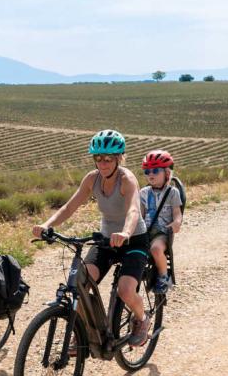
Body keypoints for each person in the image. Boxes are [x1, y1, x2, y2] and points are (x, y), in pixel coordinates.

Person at [32, 129, 152, 345]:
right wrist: (46, 225)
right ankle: (85, 334)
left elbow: (134, 210)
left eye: (108, 159)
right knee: (81, 282)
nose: (103, 164)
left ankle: (142, 319)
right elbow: (69, 207)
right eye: (98, 158)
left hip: (133, 240)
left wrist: (125, 232)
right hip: (106, 240)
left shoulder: (127, 179)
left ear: (118, 158)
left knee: (125, 290)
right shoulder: (92, 179)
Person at [138, 149, 183, 293]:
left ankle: (164, 277)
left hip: (162, 232)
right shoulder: (143, 193)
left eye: (155, 170)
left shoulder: (172, 192)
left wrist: (176, 222)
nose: (151, 174)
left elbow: (177, 213)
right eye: (147, 171)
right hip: (145, 231)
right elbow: (140, 214)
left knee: (156, 249)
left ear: (167, 173)